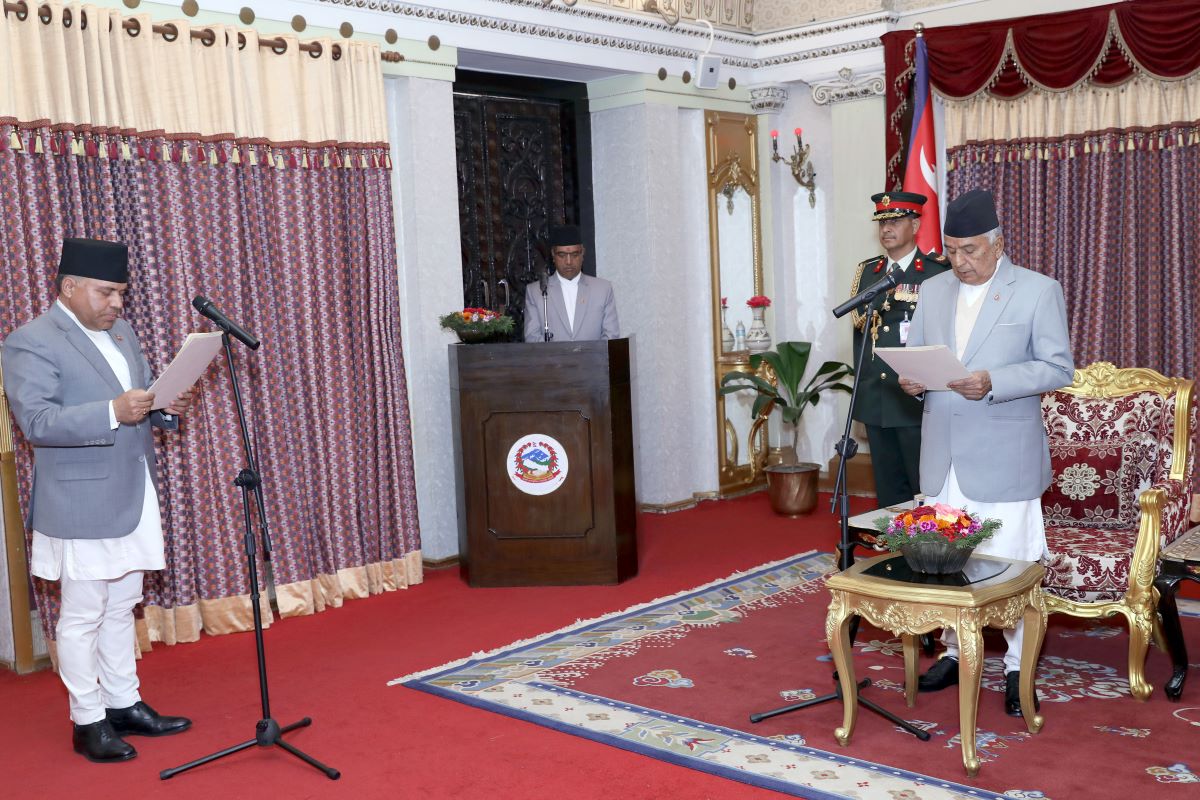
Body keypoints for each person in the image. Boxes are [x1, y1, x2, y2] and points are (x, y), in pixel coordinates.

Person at [2, 238, 196, 763]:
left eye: (122, 294)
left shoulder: (124, 332)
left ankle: (124, 703)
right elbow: (37, 423)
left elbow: (139, 402)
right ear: (69, 288)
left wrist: (162, 405)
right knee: (84, 612)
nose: (117, 305)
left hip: (132, 492)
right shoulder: (31, 341)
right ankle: (87, 721)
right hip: (80, 501)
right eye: (106, 293)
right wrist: (113, 410)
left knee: (121, 605)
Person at [898, 190, 1074, 716]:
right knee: (947, 560)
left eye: (971, 250)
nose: (960, 262)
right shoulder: (932, 291)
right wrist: (912, 378)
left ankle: (1019, 669)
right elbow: (922, 359)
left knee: (1012, 565)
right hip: (944, 452)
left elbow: (1058, 368)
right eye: (952, 250)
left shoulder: (1038, 291)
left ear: (999, 244)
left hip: (1004, 452)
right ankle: (954, 651)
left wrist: (992, 380)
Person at [849, 191, 952, 508]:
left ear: (916, 224)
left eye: (895, 221)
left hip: (916, 398)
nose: (886, 229)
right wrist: (862, 397)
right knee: (888, 491)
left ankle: (928, 554)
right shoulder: (868, 271)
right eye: (882, 222)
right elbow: (861, 337)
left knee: (924, 489)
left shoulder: (937, 271)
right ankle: (894, 553)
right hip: (879, 396)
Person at [524, 224, 619, 342]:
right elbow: (532, 338)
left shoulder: (603, 289)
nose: (568, 262)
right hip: (552, 361)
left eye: (574, 254)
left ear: (582, 253)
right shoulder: (537, 291)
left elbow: (611, 337)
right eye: (562, 255)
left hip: (593, 360)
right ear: (553, 255)